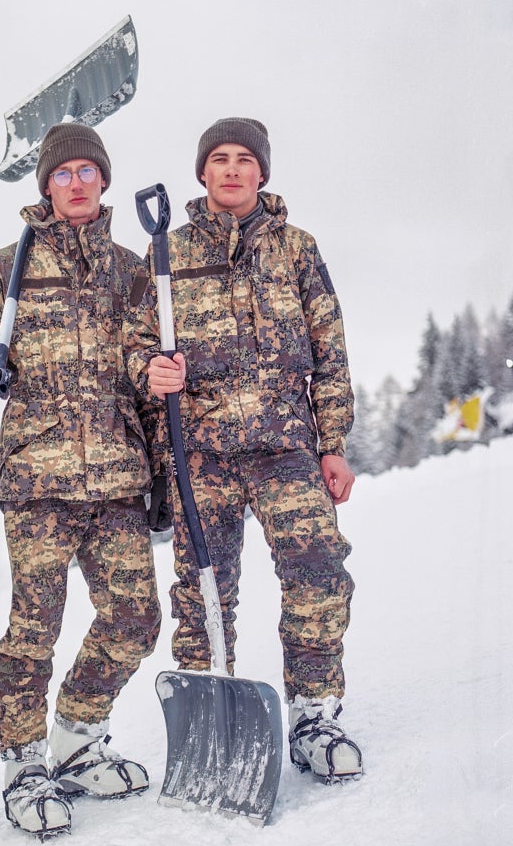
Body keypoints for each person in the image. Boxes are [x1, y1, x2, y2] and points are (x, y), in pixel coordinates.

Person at [124, 117, 362, 780]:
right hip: (199, 451)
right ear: (203, 174)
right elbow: (134, 340)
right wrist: (152, 367)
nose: (231, 169)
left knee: (319, 571)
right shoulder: (167, 253)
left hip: (285, 445)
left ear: (262, 173)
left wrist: (333, 443)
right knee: (203, 591)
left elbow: (331, 353)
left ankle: (314, 716)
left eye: (244, 159)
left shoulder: (297, 249)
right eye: (219, 159)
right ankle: (214, 723)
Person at [0, 123, 162, 840]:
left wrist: (155, 386)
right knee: (32, 632)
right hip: (39, 477)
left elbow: (142, 366)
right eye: (63, 172)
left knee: (135, 618)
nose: (76, 182)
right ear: (45, 185)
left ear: (102, 181)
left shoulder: (132, 270)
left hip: (116, 476)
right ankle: (24, 762)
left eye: (87, 171)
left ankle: (77, 733)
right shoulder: (6, 266)